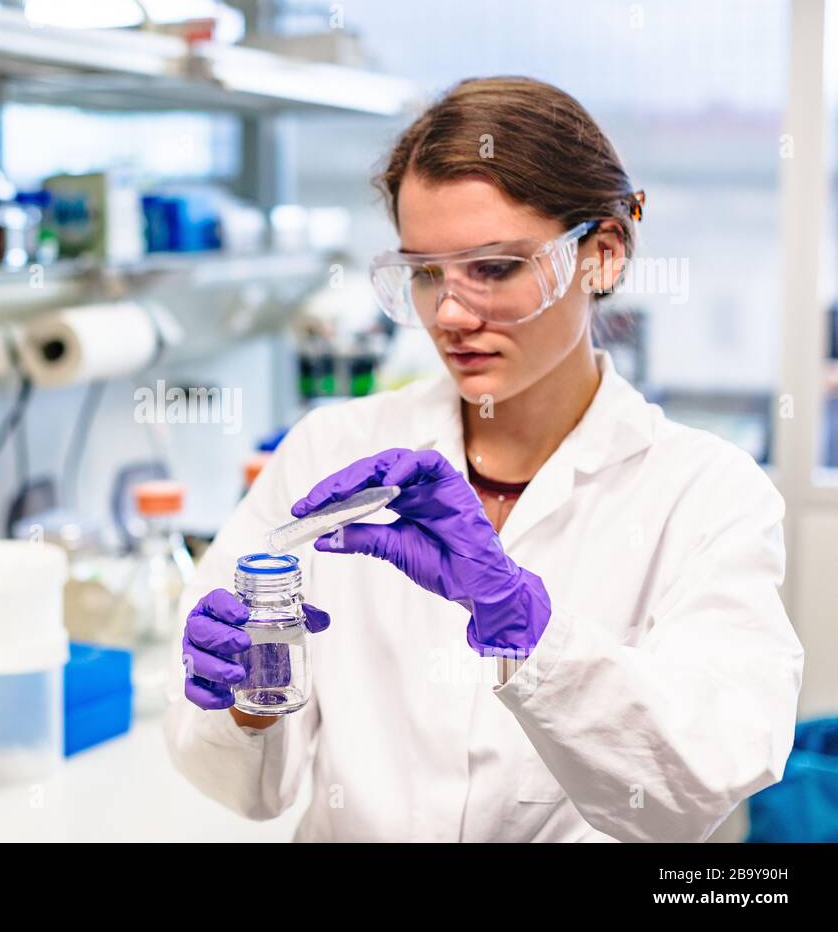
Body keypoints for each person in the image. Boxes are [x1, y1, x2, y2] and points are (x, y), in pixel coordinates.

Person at [164, 76, 804, 842]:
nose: (452, 315)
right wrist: (242, 698)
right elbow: (248, 790)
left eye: (494, 268)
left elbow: (702, 779)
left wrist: (530, 632)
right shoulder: (331, 453)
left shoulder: (706, 493)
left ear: (601, 255)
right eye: (426, 274)